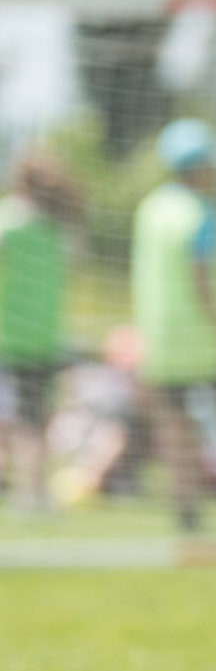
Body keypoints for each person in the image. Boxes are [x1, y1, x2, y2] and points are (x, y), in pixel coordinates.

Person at [130, 121, 216, 532]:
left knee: (175, 426)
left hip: (160, 339)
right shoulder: (202, 211)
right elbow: (202, 282)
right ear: (198, 166)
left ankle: (185, 509)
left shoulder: (150, 209)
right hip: (203, 340)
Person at [2, 151, 78, 512]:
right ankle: (35, 494)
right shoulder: (57, 227)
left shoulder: (10, 221)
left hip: (13, 337)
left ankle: (27, 495)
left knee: (25, 421)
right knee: (34, 420)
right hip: (42, 337)